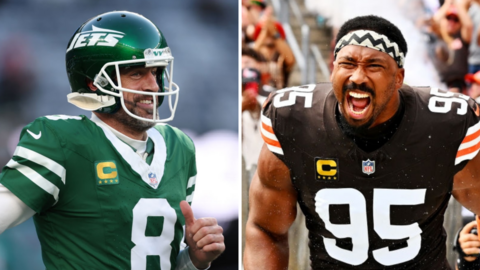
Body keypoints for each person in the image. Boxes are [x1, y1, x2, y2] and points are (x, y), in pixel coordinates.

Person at [244, 14, 480, 269]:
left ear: (399, 77)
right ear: (333, 68)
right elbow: (265, 228)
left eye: (374, 66)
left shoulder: (445, 125)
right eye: (347, 63)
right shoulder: (293, 120)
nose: (358, 76)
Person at [0, 11, 225, 270]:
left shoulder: (180, 147)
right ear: (94, 83)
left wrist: (195, 259)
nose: (153, 86)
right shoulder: (62, 142)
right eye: (137, 74)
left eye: (156, 71)